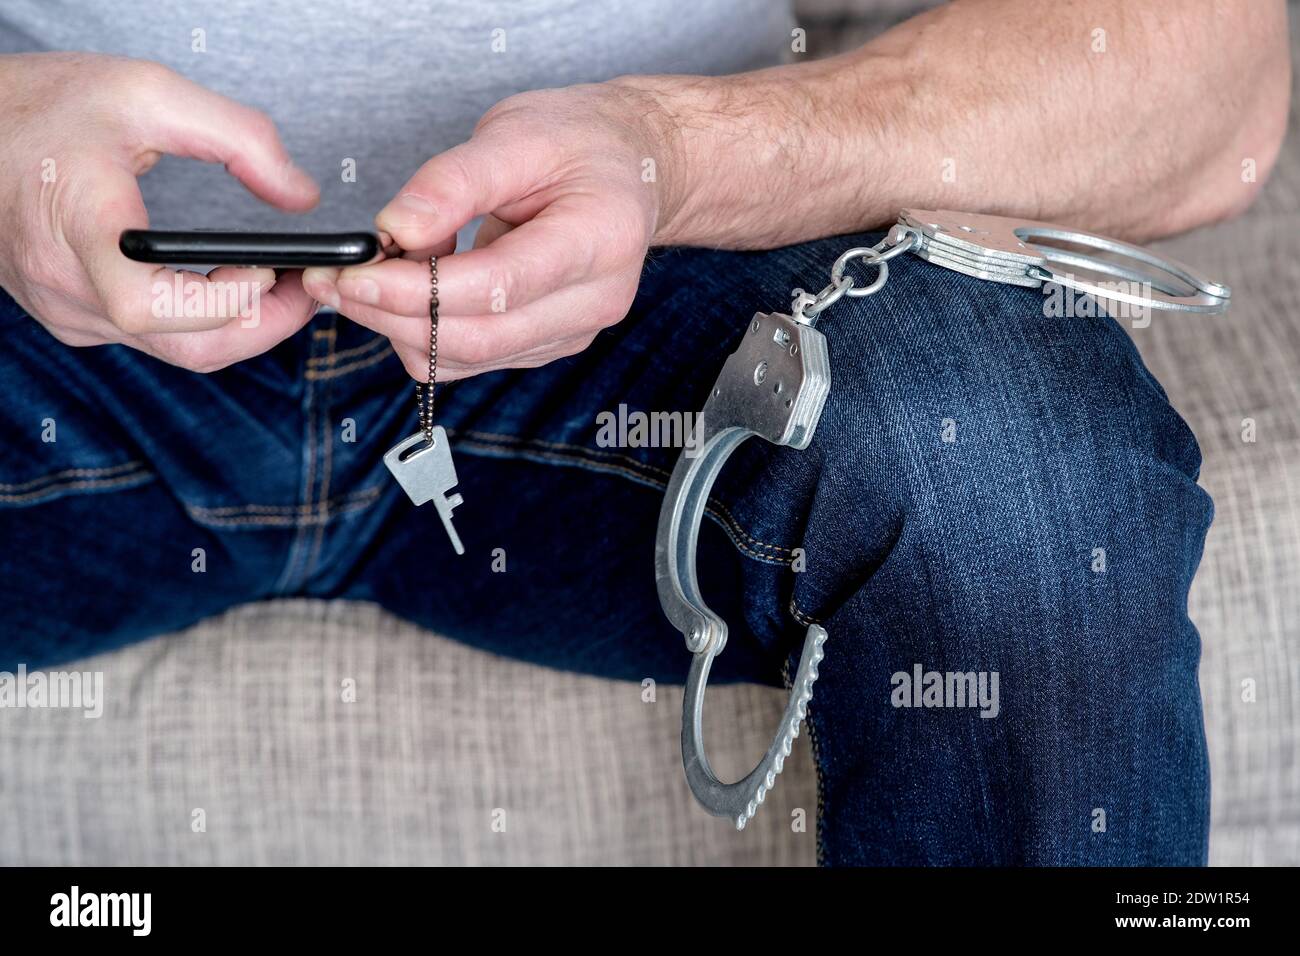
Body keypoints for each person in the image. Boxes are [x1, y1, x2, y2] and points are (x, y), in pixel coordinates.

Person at [0, 0, 1289, 866]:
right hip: (39, 323)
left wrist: (672, 153)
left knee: (1023, 479)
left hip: (666, 277)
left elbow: (1205, 72)